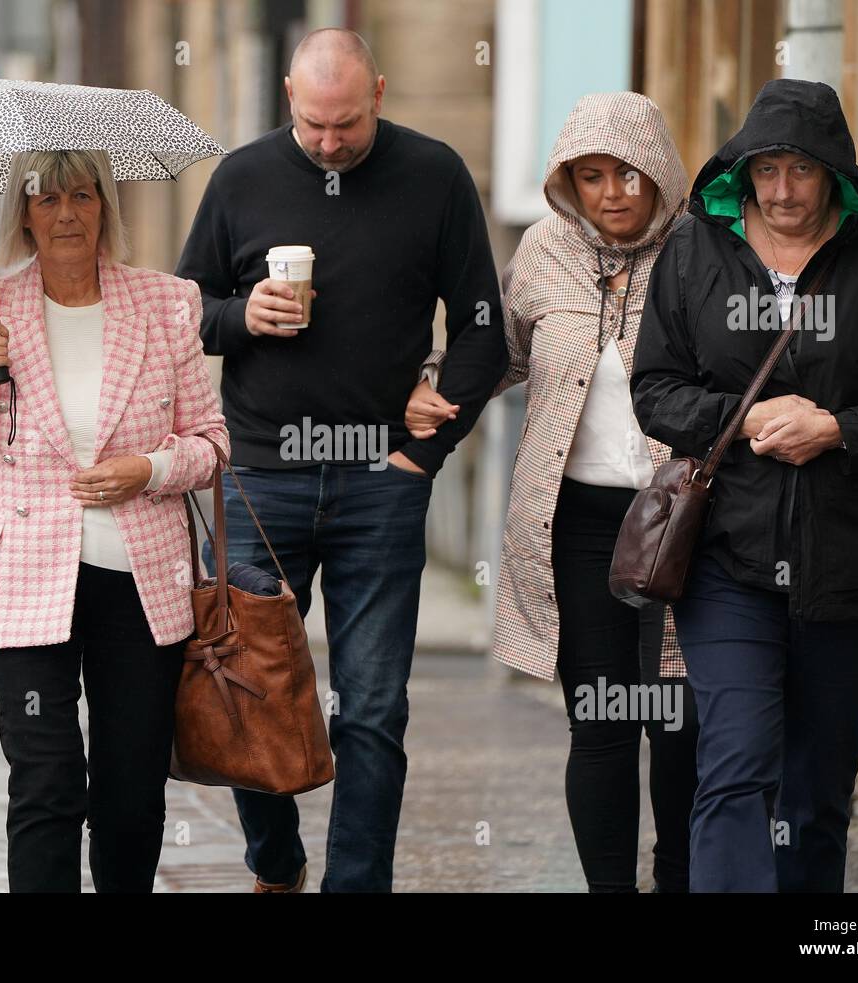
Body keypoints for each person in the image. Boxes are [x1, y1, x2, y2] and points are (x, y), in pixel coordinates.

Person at [174, 28, 508, 892]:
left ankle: (355, 884)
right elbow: (184, 314)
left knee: (373, 708)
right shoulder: (242, 178)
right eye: (315, 123)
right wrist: (242, 316)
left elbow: (482, 328)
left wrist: (426, 451)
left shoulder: (434, 176)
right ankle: (275, 861)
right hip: (255, 479)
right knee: (244, 686)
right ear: (290, 95)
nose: (329, 142)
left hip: (378, 485)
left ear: (381, 94)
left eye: (347, 125)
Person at [631, 79, 858, 892]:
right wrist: (743, 421)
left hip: (853, 560)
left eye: (803, 171)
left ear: (836, 177)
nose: (782, 190)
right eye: (767, 170)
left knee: (816, 792)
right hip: (727, 556)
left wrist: (840, 430)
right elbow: (655, 389)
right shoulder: (694, 249)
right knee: (735, 764)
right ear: (742, 174)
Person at [0, 148, 228, 892]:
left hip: (141, 582)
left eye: (82, 196)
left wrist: (146, 469)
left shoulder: (165, 302)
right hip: (22, 582)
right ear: (23, 212)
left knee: (128, 793)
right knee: (46, 781)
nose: (65, 214)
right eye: (46, 199)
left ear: (104, 208)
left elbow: (212, 445)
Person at [408, 92, 698, 892]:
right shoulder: (542, 251)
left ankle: (677, 878)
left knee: (682, 723)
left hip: (688, 520)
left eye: (629, 175)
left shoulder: (702, 252)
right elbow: (498, 352)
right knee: (602, 721)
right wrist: (430, 389)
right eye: (592, 176)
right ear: (567, 182)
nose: (612, 193)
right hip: (576, 522)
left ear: (661, 174)